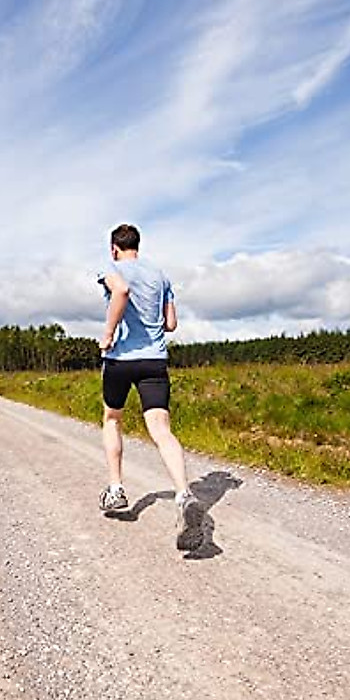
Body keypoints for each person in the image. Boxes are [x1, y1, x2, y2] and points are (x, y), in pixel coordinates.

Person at [97, 223, 206, 551]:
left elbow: (121, 291)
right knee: (161, 430)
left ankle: (116, 489)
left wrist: (108, 334)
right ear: (138, 245)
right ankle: (184, 494)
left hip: (120, 360)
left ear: (114, 248)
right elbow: (170, 323)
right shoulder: (160, 276)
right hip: (154, 361)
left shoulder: (111, 269)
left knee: (112, 419)